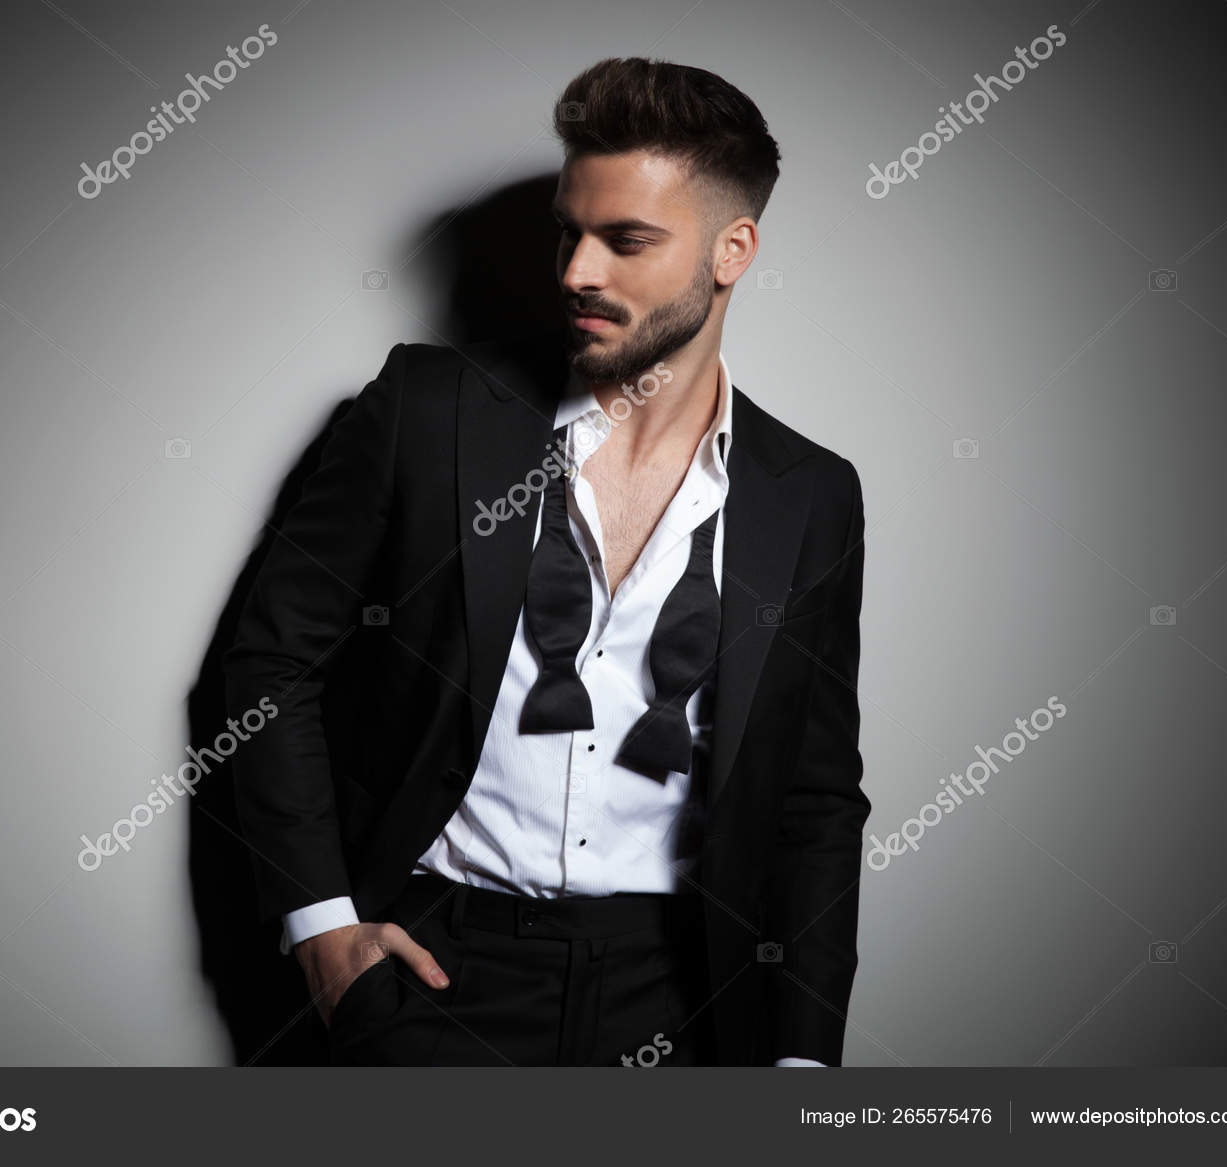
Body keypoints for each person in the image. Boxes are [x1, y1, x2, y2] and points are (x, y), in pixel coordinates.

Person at [223, 56, 868, 1066]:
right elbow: (267, 662)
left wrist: (801, 1057)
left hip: (684, 995)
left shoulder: (812, 495)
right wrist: (322, 927)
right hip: (434, 972)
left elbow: (815, 794)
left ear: (732, 249)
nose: (576, 272)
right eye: (568, 231)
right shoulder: (425, 413)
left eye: (626, 240)